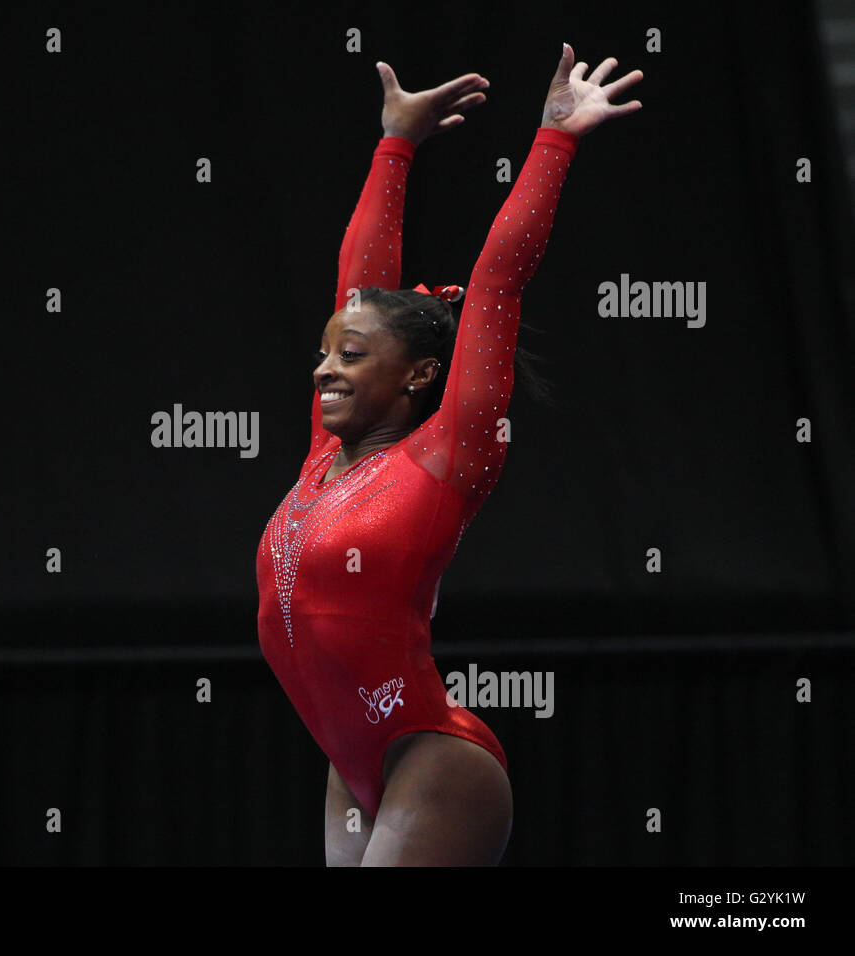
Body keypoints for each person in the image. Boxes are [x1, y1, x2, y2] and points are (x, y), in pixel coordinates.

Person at [255, 43, 642, 865]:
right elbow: (354, 290)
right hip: (350, 763)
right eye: (327, 353)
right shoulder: (326, 453)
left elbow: (497, 282)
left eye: (353, 356)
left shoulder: (449, 455)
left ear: (421, 375)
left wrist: (554, 140)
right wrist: (393, 146)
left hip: (432, 754)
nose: (326, 366)